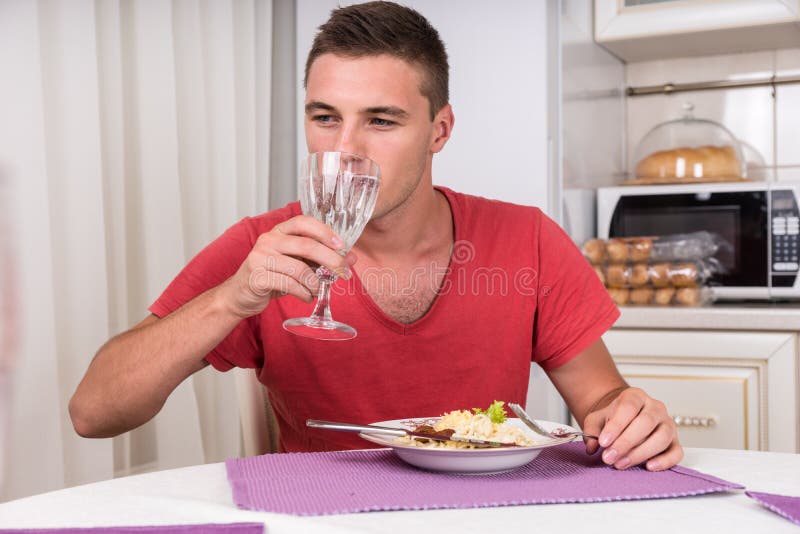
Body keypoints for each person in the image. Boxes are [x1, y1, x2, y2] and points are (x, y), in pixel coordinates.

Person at [70, 1, 682, 471]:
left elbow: (603, 404)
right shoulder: (264, 247)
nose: (345, 151)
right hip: (319, 517)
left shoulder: (527, 238)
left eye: (381, 121)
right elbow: (93, 412)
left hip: (483, 515)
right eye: (325, 117)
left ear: (439, 131)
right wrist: (232, 298)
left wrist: (632, 419)